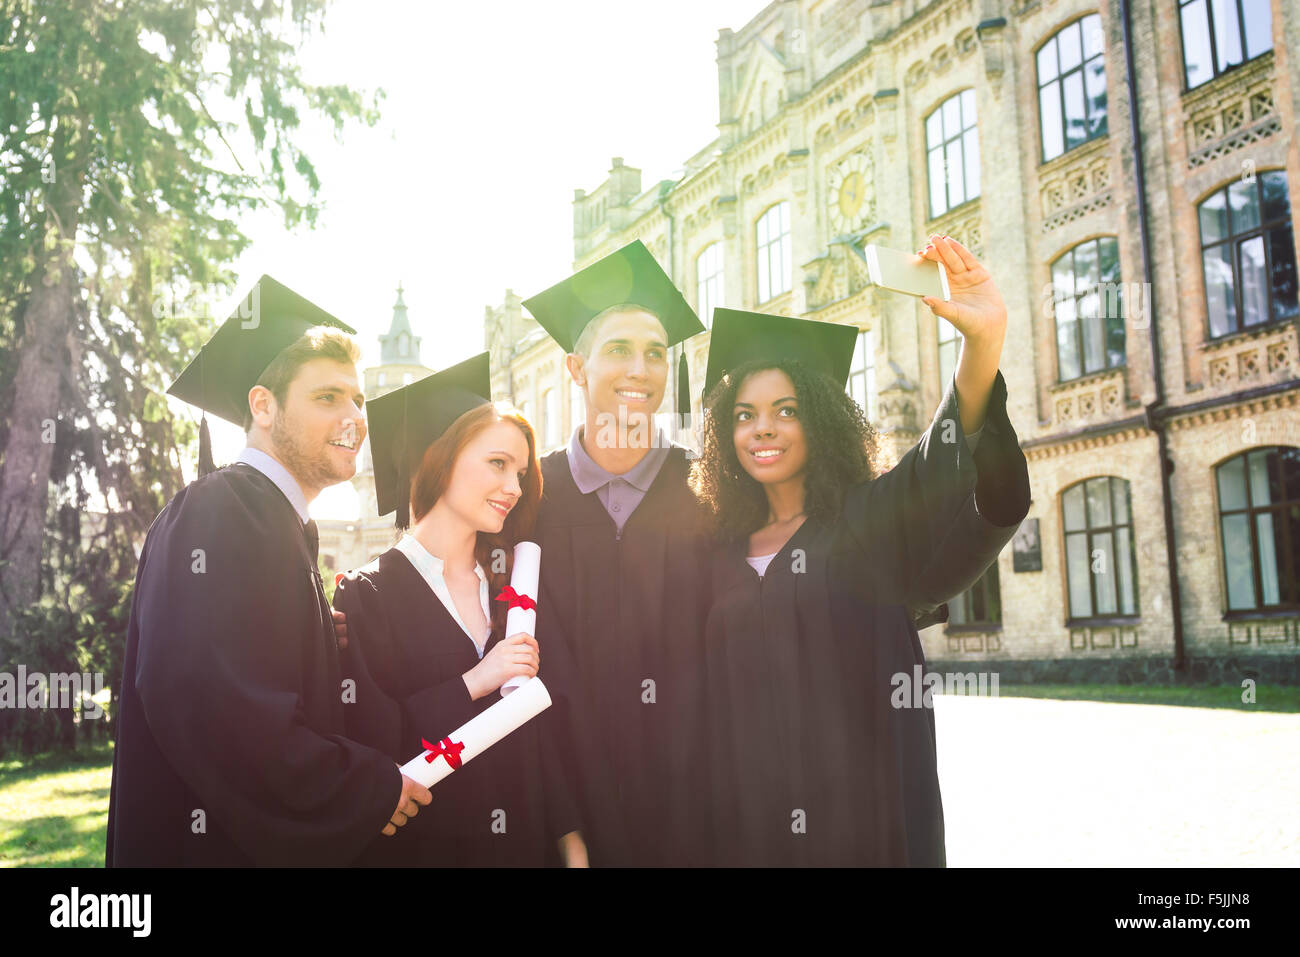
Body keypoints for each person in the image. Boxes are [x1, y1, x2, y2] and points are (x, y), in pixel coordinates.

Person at [689, 235, 1031, 866]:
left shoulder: (865, 524)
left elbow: (940, 461)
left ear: (820, 423)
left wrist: (981, 344)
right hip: (744, 827)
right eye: (743, 414)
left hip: (858, 822)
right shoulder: (714, 554)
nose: (762, 426)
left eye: (786, 410)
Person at [107, 275, 431, 867]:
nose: (355, 416)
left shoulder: (278, 523)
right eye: (328, 397)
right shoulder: (218, 511)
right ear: (264, 405)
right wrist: (359, 787)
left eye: (358, 400)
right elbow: (207, 703)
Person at [331, 353, 587, 866]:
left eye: (519, 471)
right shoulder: (365, 597)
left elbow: (540, 734)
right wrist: (476, 681)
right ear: (440, 458)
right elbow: (374, 748)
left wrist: (573, 848)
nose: (514, 488)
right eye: (497, 463)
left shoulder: (514, 592)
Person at [519, 239, 713, 866]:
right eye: (620, 350)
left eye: (657, 353)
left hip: (697, 811)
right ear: (576, 369)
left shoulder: (709, 490)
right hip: (563, 812)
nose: (641, 369)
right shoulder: (529, 499)